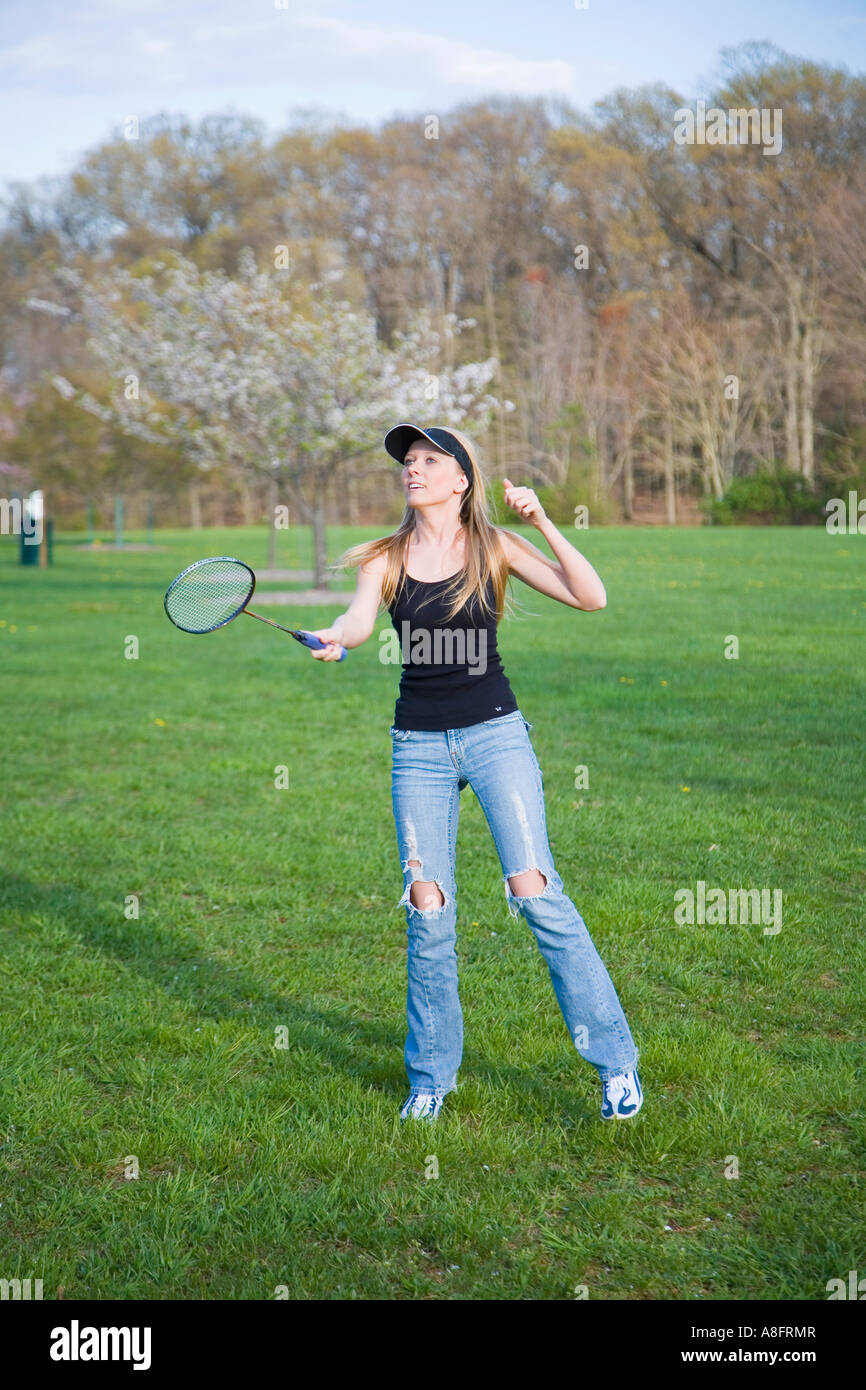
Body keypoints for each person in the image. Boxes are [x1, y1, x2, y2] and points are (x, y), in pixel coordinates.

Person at [307, 423, 642, 1124]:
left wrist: (543, 520)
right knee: (427, 910)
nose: (413, 470)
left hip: (495, 736)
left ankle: (616, 1066)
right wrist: (340, 635)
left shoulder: (495, 546)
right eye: (408, 461)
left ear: (462, 479)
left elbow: (591, 597)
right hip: (418, 747)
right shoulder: (386, 556)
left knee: (535, 889)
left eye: (430, 460)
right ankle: (430, 1079)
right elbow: (361, 619)